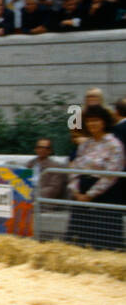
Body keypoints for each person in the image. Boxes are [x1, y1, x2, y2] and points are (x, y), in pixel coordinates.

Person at [66, 106, 124, 250]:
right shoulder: (86, 145)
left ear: (104, 122)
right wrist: (76, 191)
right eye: (89, 121)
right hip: (81, 195)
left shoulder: (114, 145)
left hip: (105, 195)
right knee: (80, 239)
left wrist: (90, 195)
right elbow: (74, 168)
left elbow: (111, 175)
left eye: (96, 120)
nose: (92, 124)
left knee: (104, 241)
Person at [27, 137, 68, 203]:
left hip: (43, 203)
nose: (42, 150)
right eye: (39, 147)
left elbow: (54, 189)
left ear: (50, 151)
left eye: (46, 148)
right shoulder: (30, 163)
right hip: (26, 198)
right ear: (35, 149)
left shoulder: (56, 167)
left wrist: (32, 194)